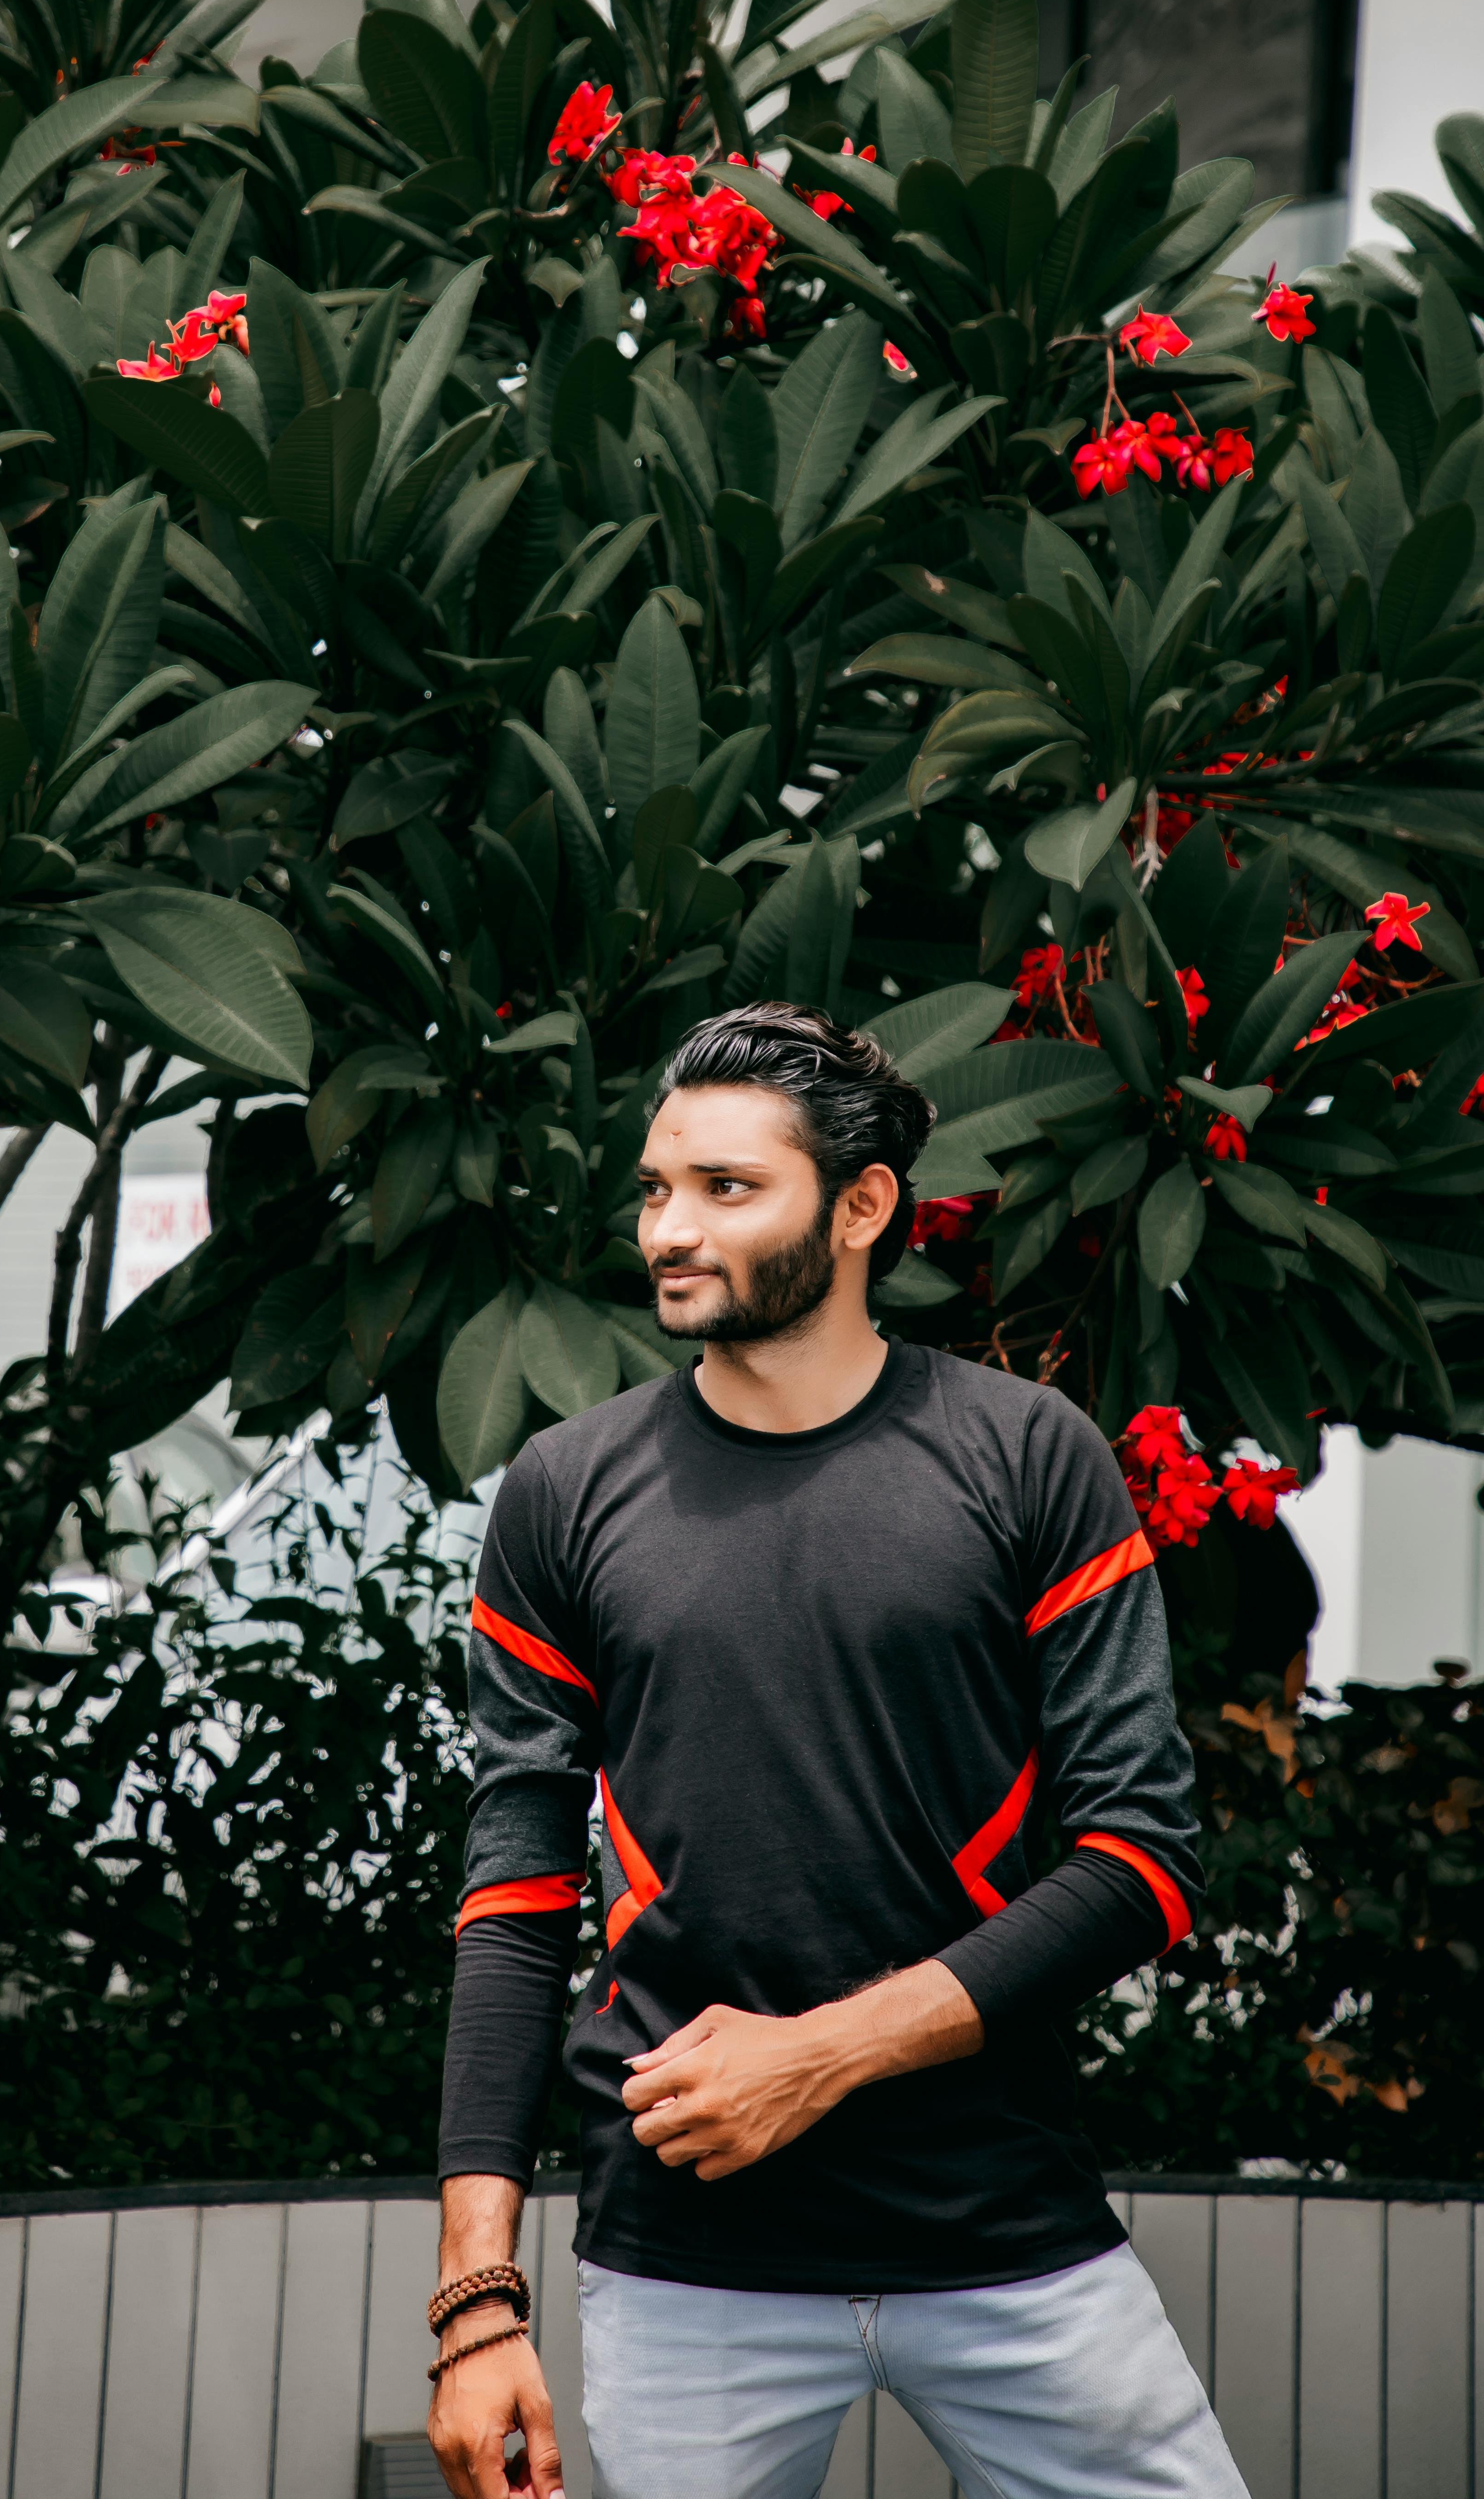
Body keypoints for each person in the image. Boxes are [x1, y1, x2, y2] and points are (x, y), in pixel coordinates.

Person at [427, 1001, 1246, 2499]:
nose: (672, 1229)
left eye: (730, 1190)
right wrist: (475, 2299)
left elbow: (1142, 1858)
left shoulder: (1025, 1454)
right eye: (660, 1188)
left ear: (864, 1207)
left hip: (1008, 2231)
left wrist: (817, 2057)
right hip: (688, 2261)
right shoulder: (563, 1490)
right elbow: (518, 1889)